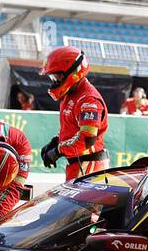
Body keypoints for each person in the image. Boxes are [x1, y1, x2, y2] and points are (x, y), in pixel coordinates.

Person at [38, 46, 108, 181]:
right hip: (78, 164)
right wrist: (56, 141)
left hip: (89, 167)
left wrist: (58, 151)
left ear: (73, 72)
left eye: (57, 76)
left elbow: (87, 139)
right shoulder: (71, 94)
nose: (54, 81)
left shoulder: (88, 100)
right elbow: (71, 128)